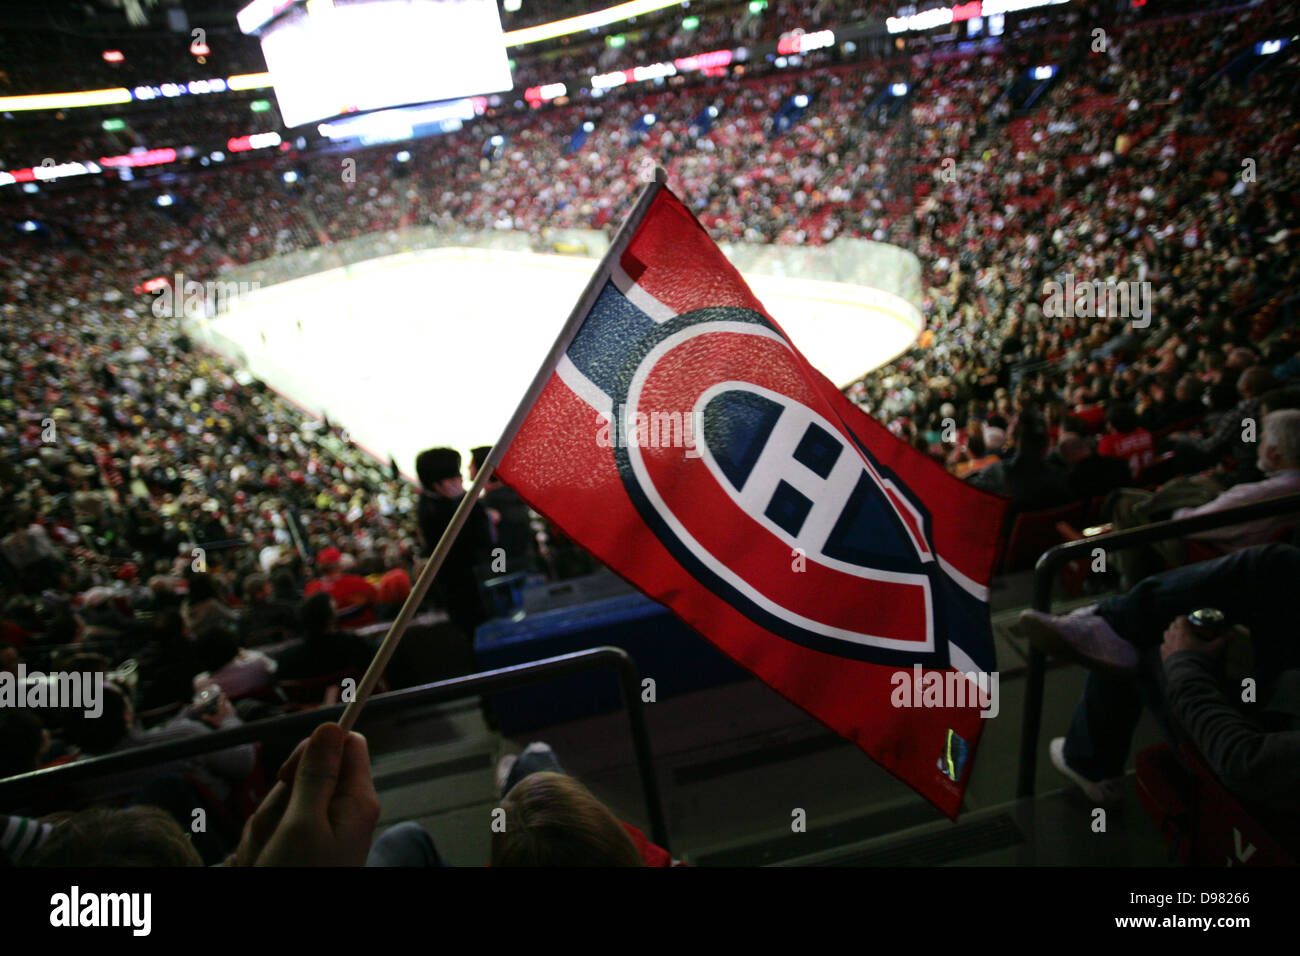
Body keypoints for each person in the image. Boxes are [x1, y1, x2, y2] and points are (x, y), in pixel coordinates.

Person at [1019, 544, 1300, 811]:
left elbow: (1243, 762)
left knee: (1143, 641)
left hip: (1255, 760)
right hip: (1287, 695)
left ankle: (1089, 763)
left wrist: (1184, 663)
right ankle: (1111, 619)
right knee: (1278, 563)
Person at [414, 447, 492, 636]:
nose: (462, 476)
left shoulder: (432, 505)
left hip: (470, 587)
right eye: (456, 473)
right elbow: (489, 545)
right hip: (471, 592)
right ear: (442, 482)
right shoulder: (445, 510)